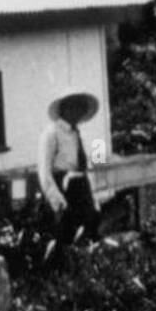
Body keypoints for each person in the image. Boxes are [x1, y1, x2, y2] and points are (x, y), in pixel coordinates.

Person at [37, 91, 102, 246]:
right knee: (65, 236)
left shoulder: (76, 133)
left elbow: (84, 167)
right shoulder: (51, 133)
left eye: (81, 109)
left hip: (81, 188)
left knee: (89, 229)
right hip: (63, 188)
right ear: (64, 109)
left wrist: (93, 197)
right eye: (75, 107)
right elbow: (44, 171)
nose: (78, 113)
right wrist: (58, 202)